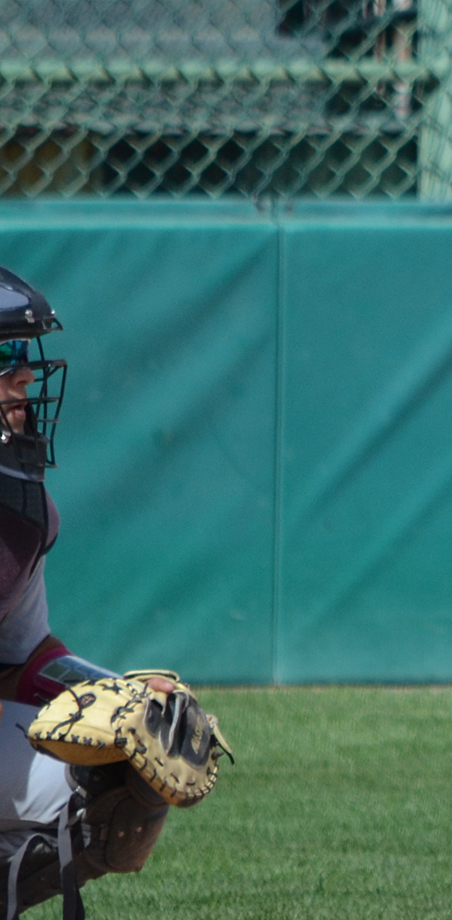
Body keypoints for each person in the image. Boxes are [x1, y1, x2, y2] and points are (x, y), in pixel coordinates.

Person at [0, 265, 187, 919]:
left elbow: (23, 658)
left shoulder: (18, 506)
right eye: (3, 354)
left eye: (23, 352)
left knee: (122, 770)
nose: (24, 373)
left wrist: (113, 694)